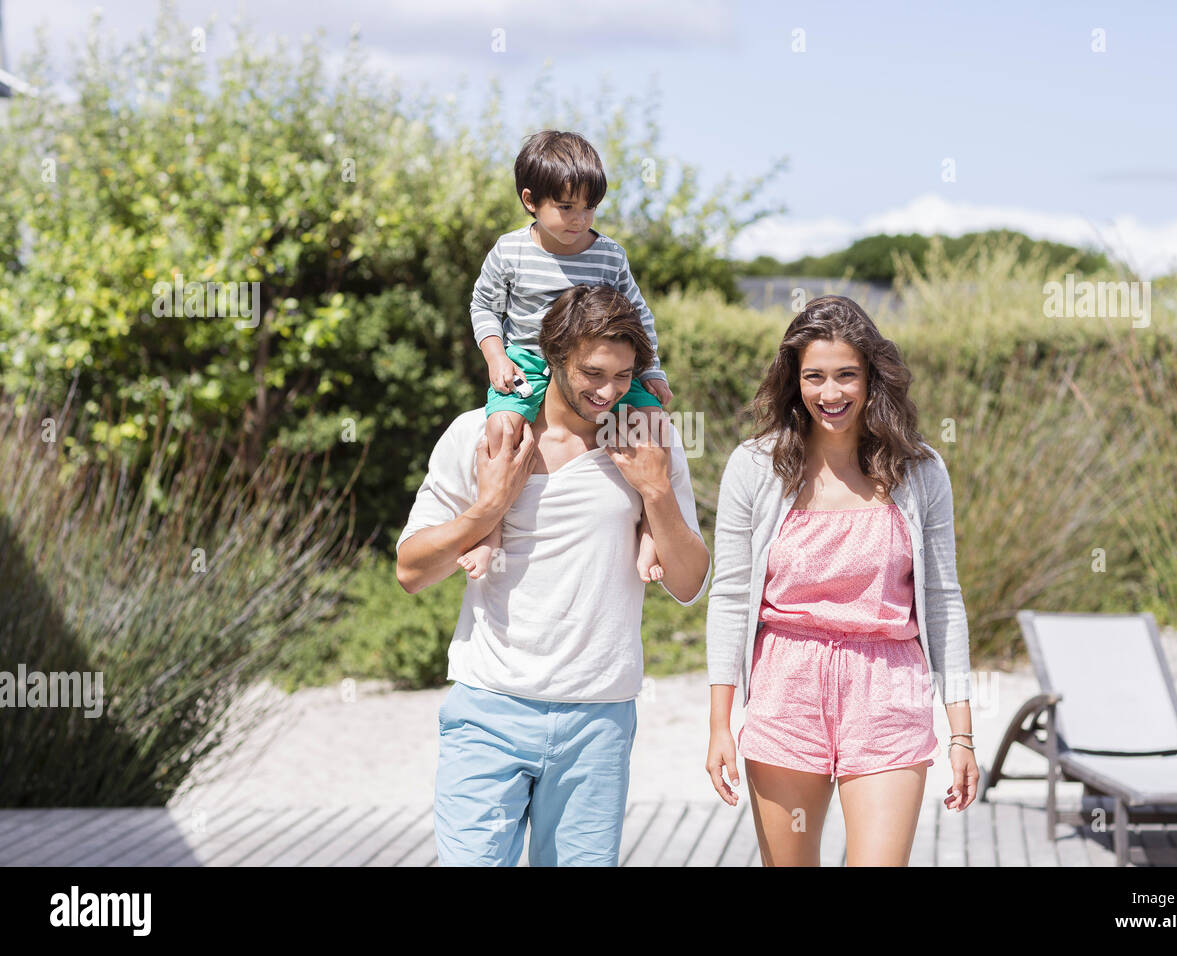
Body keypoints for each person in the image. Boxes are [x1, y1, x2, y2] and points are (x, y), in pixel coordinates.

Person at [396, 284, 710, 867]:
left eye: (623, 375)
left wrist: (656, 490)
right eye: (592, 372)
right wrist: (487, 510)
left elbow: (689, 583)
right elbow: (411, 571)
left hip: (599, 717)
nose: (608, 391)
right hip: (488, 708)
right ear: (552, 356)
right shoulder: (482, 435)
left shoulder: (649, 442)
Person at [704, 295, 977, 866]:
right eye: (815, 377)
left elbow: (943, 598)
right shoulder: (753, 467)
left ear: (873, 376)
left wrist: (961, 733)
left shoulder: (920, 470)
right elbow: (729, 598)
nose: (831, 394)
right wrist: (720, 726)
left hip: (888, 689)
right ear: (794, 382)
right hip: (786, 687)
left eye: (847, 375)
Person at [460, 129, 674, 584]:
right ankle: (490, 530)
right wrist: (497, 359)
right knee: (502, 428)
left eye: (589, 207)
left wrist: (650, 369)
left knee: (657, 427)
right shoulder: (510, 252)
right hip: (530, 361)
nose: (580, 219)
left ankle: (651, 531)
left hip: (598, 366)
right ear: (530, 200)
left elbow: (638, 315)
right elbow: (483, 307)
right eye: (566, 207)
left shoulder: (609, 256)